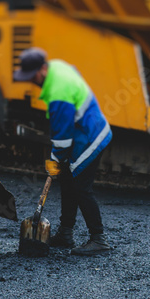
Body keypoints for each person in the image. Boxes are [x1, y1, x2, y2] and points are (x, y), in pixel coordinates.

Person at [13, 48, 113, 256]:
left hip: (89, 135)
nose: (32, 81)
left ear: (42, 69)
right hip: (83, 129)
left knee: (81, 188)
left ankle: (98, 239)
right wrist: (58, 161)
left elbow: (63, 136)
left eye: (33, 77)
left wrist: (55, 160)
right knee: (68, 182)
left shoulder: (59, 91)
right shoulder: (57, 65)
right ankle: (66, 233)